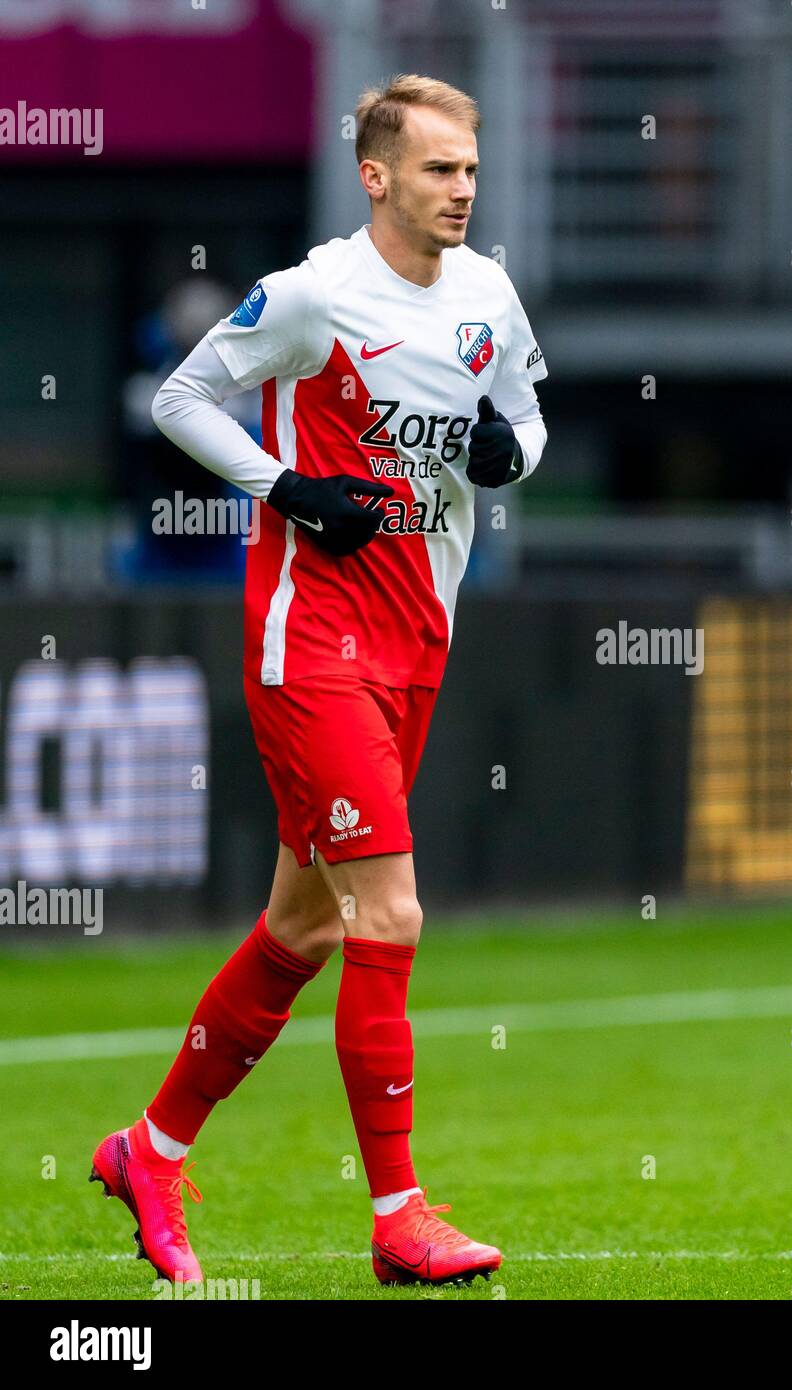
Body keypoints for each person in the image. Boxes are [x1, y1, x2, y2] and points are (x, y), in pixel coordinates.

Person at [89, 75, 547, 1287]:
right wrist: (288, 491)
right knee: (385, 914)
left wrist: (511, 450)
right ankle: (398, 1215)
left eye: (470, 169)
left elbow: (526, 414)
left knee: (301, 923)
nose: (462, 190)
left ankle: (151, 1148)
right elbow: (182, 399)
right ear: (377, 176)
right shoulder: (311, 297)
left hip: (417, 638)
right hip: (313, 641)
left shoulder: (488, 295)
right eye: (440, 169)